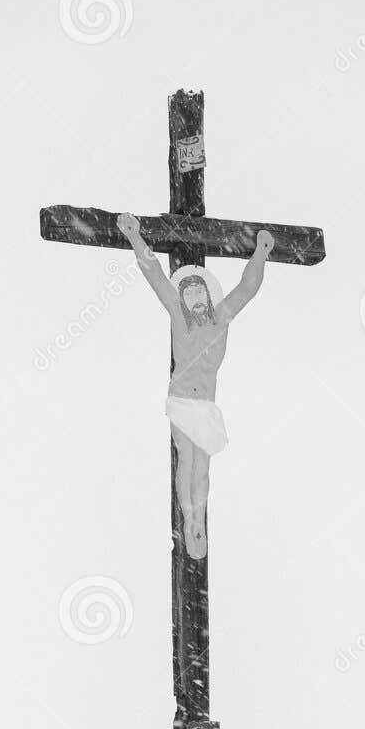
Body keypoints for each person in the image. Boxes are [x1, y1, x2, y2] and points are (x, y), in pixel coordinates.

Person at [116, 215, 274, 559]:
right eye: (186, 291)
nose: (192, 295)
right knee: (187, 461)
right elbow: (155, 275)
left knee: (202, 467)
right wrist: (134, 237)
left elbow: (246, 288)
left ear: (207, 293)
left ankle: (197, 521)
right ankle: (189, 518)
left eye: (197, 289)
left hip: (205, 406)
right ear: (183, 299)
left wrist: (261, 252)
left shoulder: (222, 316)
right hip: (182, 400)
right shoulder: (177, 316)